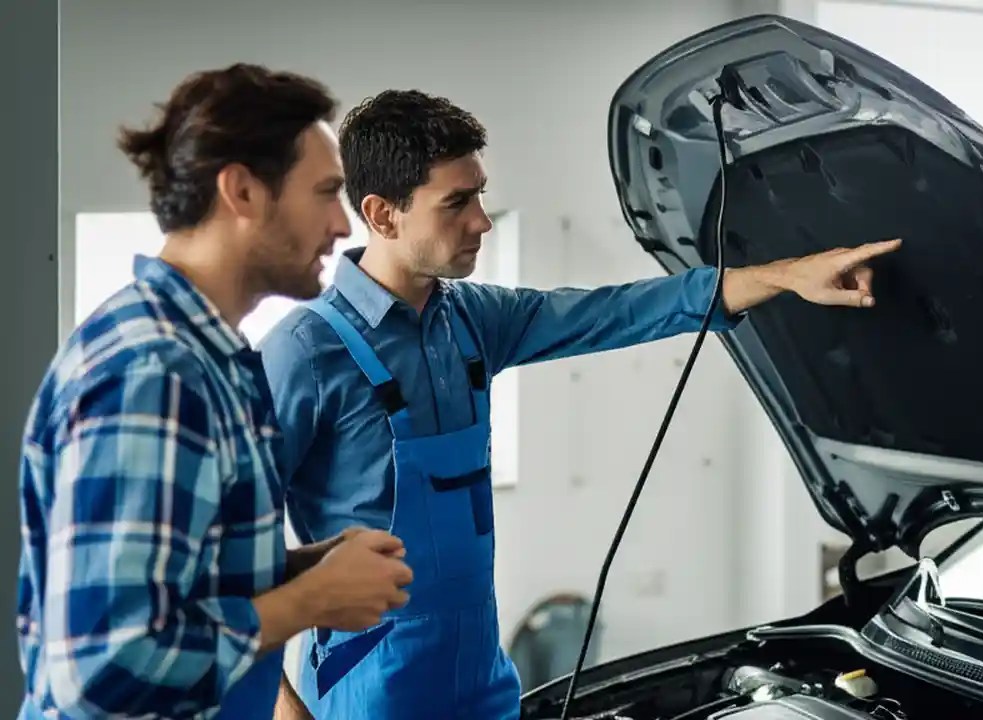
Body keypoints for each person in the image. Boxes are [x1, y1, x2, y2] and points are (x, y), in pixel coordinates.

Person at [260, 89, 902, 720]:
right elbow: (227, 560)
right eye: (456, 202)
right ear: (381, 214)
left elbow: (619, 312)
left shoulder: (472, 319)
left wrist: (788, 275)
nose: (481, 220)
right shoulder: (306, 353)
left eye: (479, 194)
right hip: (369, 688)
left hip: (480, 676)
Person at [15, 64, 416, 720]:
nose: (344, 227)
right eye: (324, 193)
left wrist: (306, 568)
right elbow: (103, 666)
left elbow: (178, 584)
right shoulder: (156, 373)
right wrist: (311, 603)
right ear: (243, 191)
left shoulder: (215, 359)